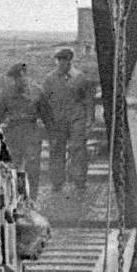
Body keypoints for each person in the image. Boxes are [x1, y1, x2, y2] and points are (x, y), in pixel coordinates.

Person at [39, 48, 95, 193]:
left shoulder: (79, 78)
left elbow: (88, 100)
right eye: (59, 61)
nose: (62, 64)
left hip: (76, 118)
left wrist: (89, 120)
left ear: (70, 61)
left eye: (65, 61)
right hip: (57, 121)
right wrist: (45, 120)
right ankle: (57, 183)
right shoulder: (50, 79)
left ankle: (79, 181)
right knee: (57, 150)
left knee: (78, 149)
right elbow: (43, 101)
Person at [0, 62, 44, 184]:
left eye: (22, 76)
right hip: (13, 134)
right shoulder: (6, 93)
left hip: (31, 133)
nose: (21, 80)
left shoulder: (37, 91)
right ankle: (18, 197)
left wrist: (53, 135)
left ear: (26, 75)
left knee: (32, 167)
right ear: (14, 79)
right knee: (13, 168)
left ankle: (32, 198)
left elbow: (48, 115)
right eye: (17, 78)